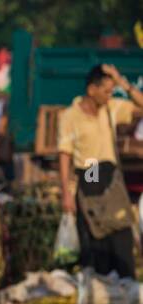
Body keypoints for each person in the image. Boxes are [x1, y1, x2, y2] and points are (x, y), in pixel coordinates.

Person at [57, 64, 143, 279]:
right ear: (91, 90)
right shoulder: (70, 116)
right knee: (95, 230)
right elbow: (65, 154)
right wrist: (66, 193)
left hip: (110, 174)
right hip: (90, 172)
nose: (109, 95)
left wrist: (121, 80)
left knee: (121, 229)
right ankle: (99, 281)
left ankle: (124, 281)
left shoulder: (111, 108)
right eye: (105, 90)